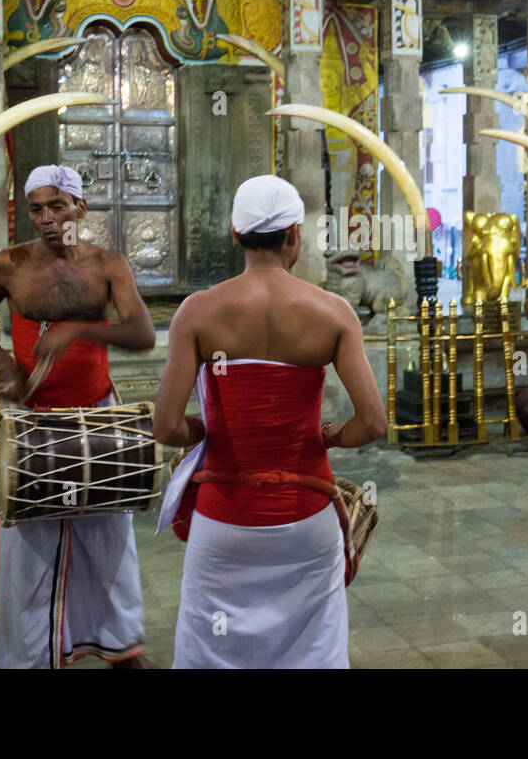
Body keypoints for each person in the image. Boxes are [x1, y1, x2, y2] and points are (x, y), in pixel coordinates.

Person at [153, 175, 386, 669]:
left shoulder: (196, 313)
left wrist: (210, 428)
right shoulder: (335, 313)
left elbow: (166, 427)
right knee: (313, 652)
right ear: (295, 235)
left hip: (223, 521)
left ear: (234, 234)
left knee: (212, 652)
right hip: (306, 516)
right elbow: (373, 423)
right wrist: (327, 437)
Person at [0, 165, 156, 669]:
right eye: (36, 209)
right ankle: (30, 658)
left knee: (110, 538)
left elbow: (143, 334)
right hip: (34, 420)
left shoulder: (108, 264)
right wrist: (4, 362)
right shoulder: (9, 265)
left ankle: (122, 648)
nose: (46, 219)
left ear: (80, 208)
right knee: (30, 550)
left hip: (96, 413)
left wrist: (81, 333)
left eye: (57, 206)